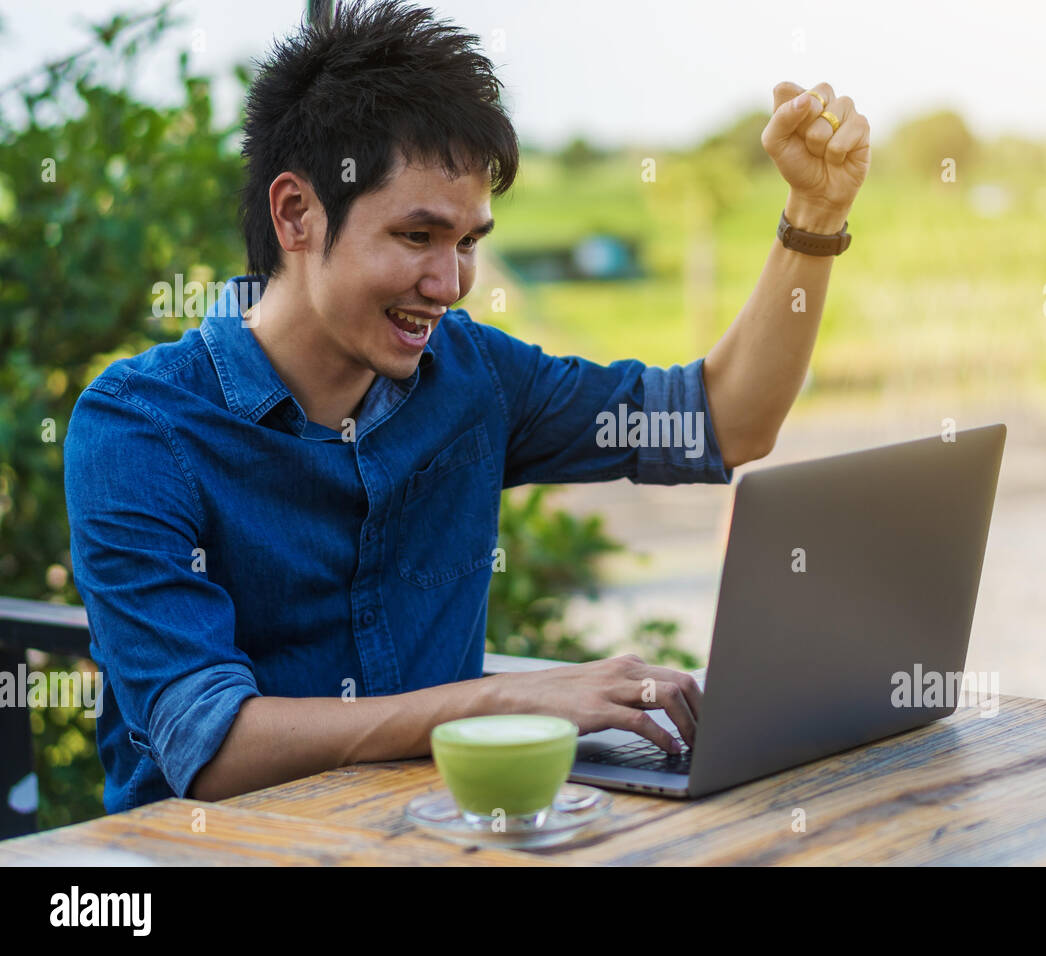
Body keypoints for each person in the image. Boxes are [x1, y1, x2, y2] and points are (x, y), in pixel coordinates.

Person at [63, 0, 871, 812]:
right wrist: (506, 701)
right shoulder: (138, 429)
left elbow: (721, 421)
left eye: (469, 242)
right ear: (296, 214)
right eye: (417, 238)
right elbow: (211, 746)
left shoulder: (472, 375)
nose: (449, 286)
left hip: (435, 840)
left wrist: (815, 216)